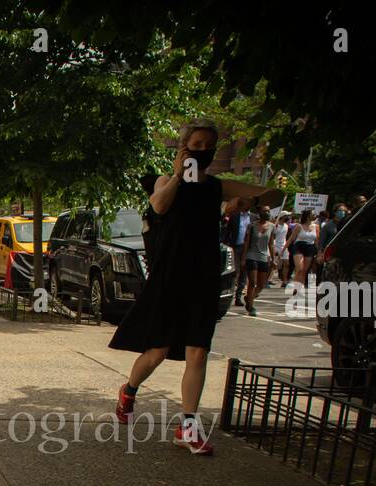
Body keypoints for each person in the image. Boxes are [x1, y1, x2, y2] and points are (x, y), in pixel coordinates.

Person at [110, 118, 225, 456]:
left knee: (197, 351)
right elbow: (159, 205)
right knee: (158, 351)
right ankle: (129, 390)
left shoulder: (216, 186)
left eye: (208, 146)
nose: (202, 151)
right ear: (182, 147)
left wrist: (247, 200)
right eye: (196, 145)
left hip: (203, 278)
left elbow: (272, 193)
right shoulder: (165, 181)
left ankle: (187, 425)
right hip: (169, 278)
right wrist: (178, 174)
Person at [242, 207, 274, 316]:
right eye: (264, 211)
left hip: (264, 257)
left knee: (261, 284)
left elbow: (271, 243)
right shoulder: (252, 226)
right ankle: (250, 306)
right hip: (252, 255)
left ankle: (248, 297)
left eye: (268, 211)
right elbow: (246, 242)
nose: (267, 213)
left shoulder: (272, 226)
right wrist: (243, 258)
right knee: (252, 282)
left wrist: (273, 258)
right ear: (259, 213)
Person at [287, 210, 319, 286]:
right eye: (313, 214)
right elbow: (291, 239)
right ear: (307, 216)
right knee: (299, 269)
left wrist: (319, 252)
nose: (315, 215)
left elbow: (317, 241)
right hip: (299, 247)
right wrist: (282, 251)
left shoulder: (317, 226)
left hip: (310, 248)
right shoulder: (299, 226)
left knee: (305, 270)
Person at [271, 213, 290, 287]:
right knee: (274, 264)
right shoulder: (275, 225)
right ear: (282, 217)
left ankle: (284, 281)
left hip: (284, 246)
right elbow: (272, 237)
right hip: (276, 246)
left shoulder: (286, 226)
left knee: (286, 264)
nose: (288, 217)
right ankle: (268, 280)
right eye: (286, 216)